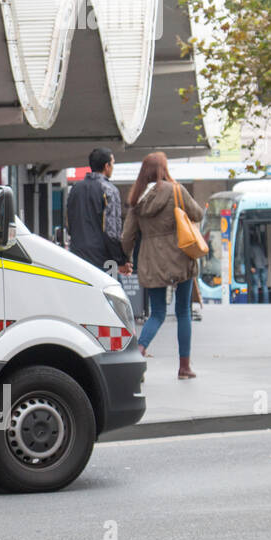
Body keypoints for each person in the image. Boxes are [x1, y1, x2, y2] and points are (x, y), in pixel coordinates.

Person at [121, 152, 204, 378]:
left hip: (152, 261)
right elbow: (197, 213)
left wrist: (124, 261)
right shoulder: (176, 190)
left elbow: (127, 237)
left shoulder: (137, 200)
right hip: (180, 257)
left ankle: (138, 353)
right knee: (183, 311)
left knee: (157, 313)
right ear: (164, 170)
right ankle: (184, 367)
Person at [67, 147, 131, 275]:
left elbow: (69, 223)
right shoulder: (109, 190)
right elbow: (111, 231)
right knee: (110, 293)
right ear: (107, 166)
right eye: (113, 163)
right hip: (102, 259)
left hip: (77, 255)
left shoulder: (75, 189)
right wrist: (120, 260)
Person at [247, 227, 270, 304]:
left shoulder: (250, 247)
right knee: (264, 285)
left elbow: (250, 258)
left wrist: (251, 267)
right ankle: (266, 302)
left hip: (256, 267)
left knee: (255, 285)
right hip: (264, 266)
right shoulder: (260, 246)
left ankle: (255, 302)